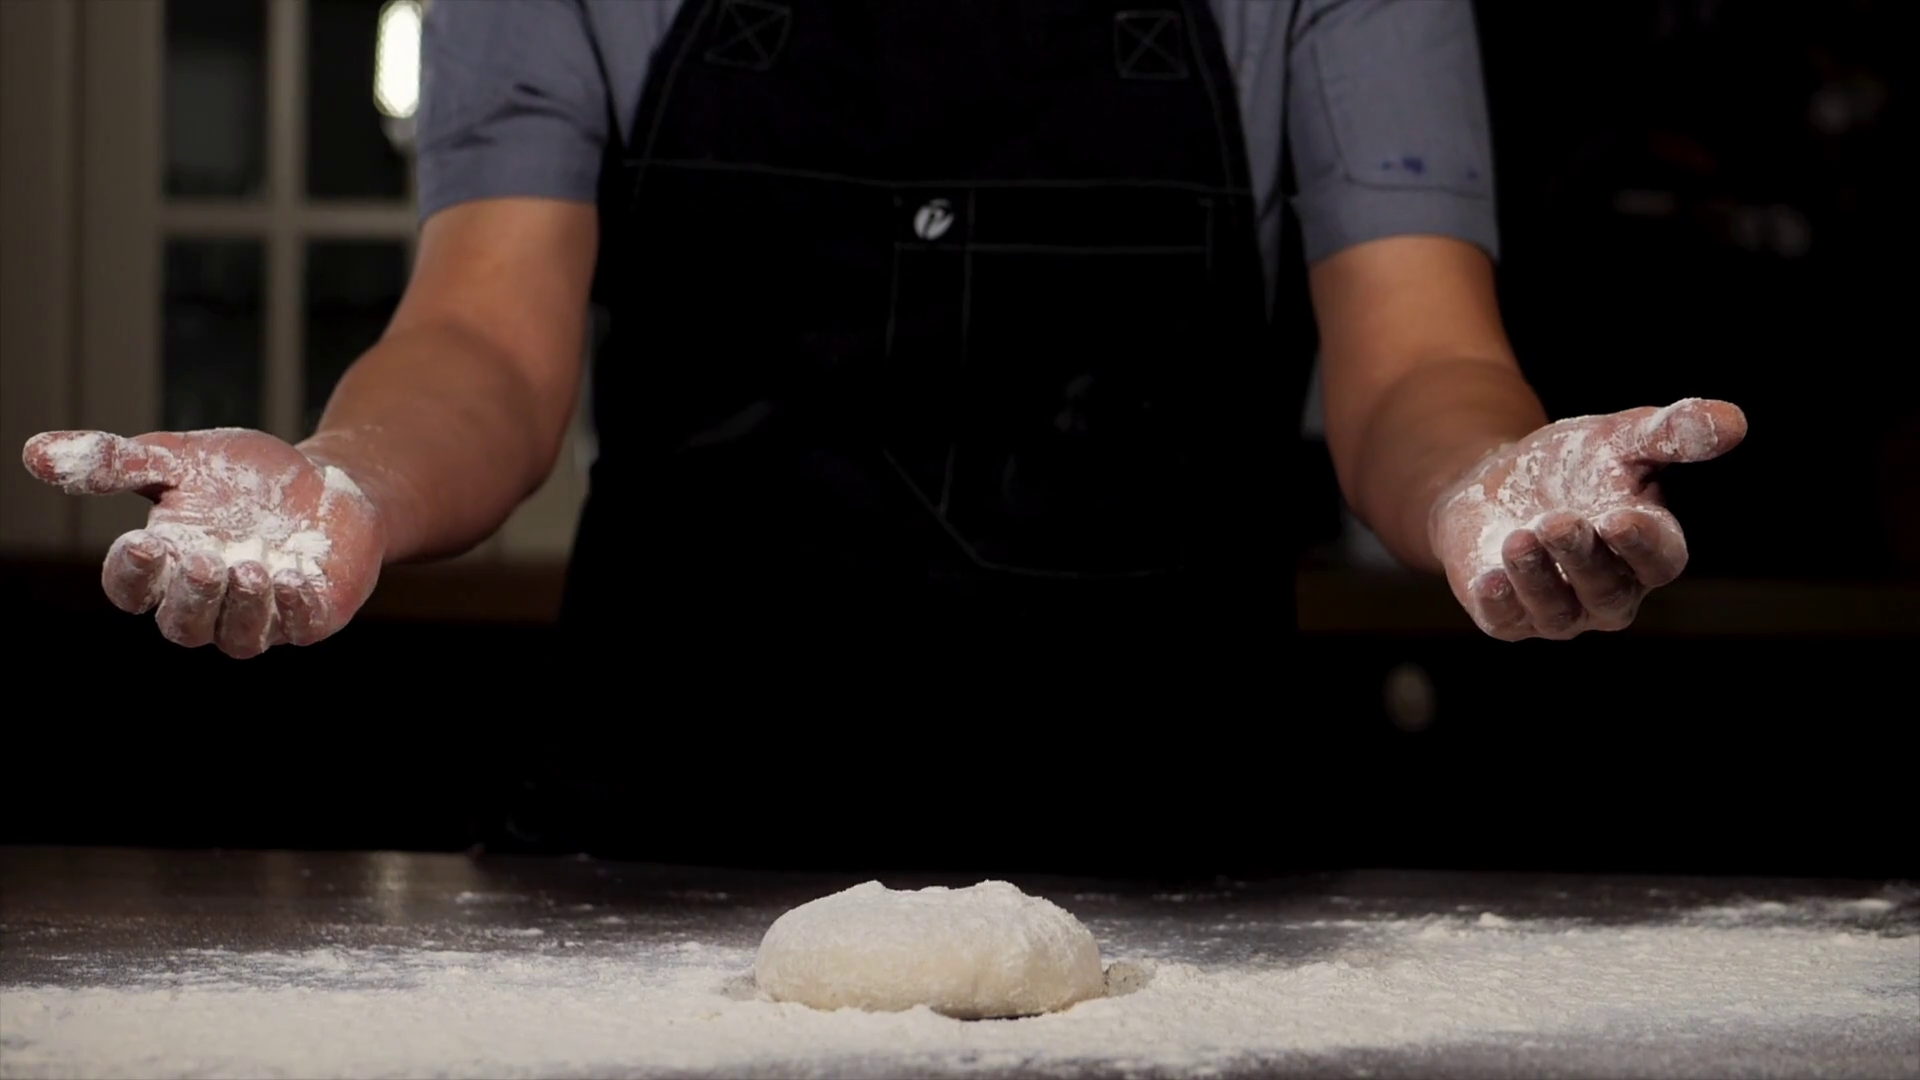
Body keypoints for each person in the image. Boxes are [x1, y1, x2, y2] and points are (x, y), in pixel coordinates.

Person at [21, 0, 1745, 698]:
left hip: (1172, 826)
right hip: (670, 811)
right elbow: (481, 336)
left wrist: (1478, 479)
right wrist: (352, 482)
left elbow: (1418, 364)